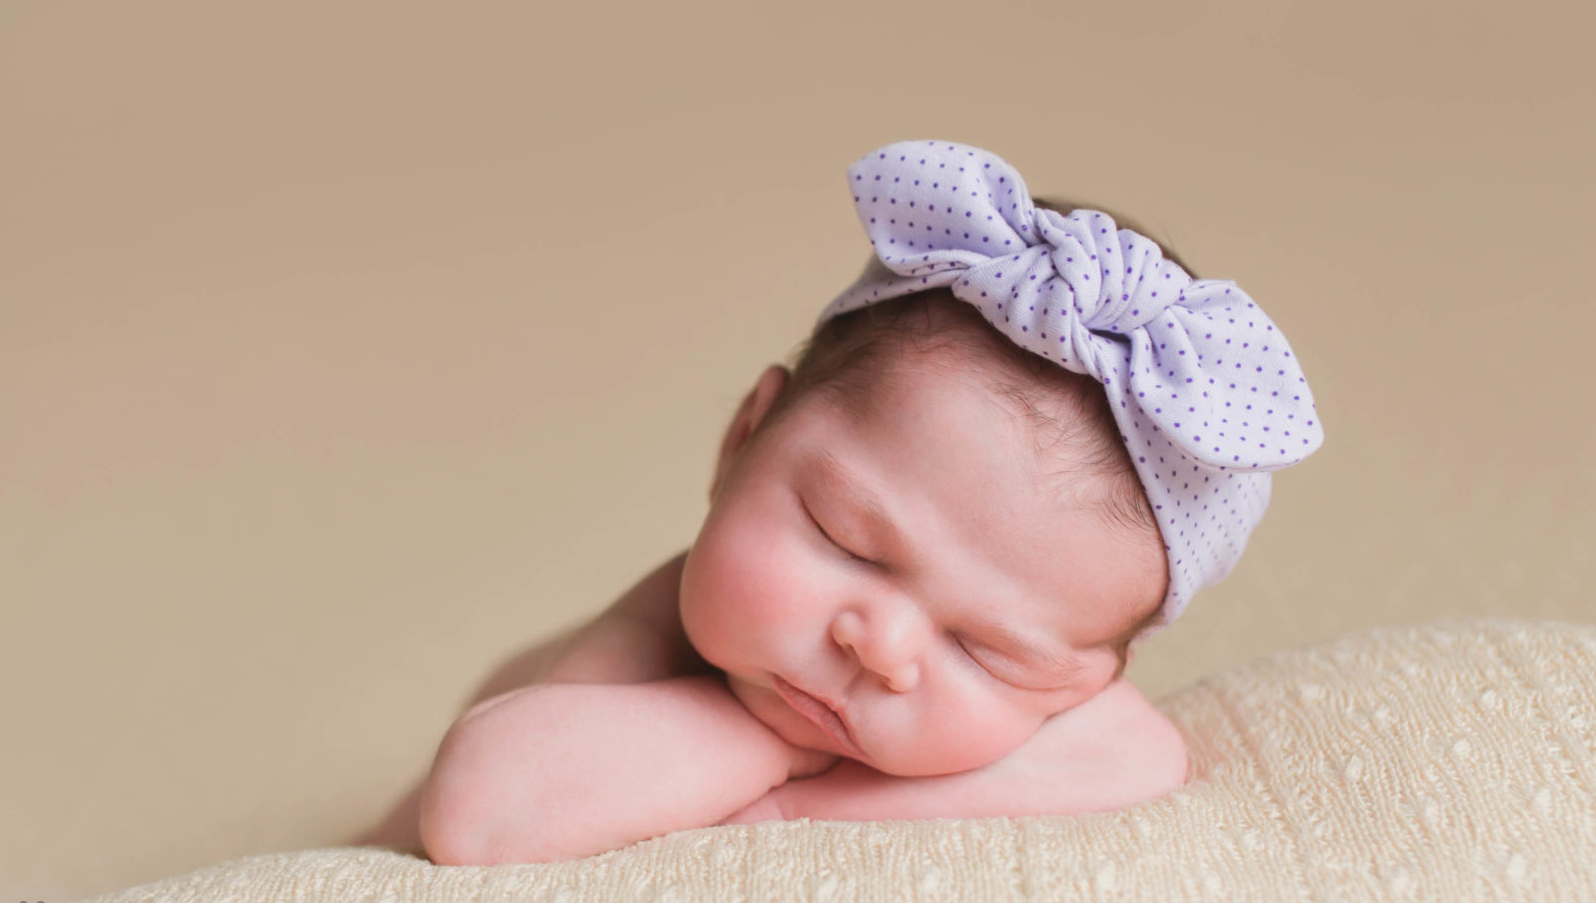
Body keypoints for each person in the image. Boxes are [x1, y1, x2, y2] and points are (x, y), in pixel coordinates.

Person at [352, 139, 1325, 865]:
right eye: (847, 541)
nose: (880, 647)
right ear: (743, 437)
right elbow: (480, 812)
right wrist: (768, 741)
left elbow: (1137, 758)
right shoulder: (654, 640)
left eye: (982, 650)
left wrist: (799, 804)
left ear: (1079, 682)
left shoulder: (1054, 694)